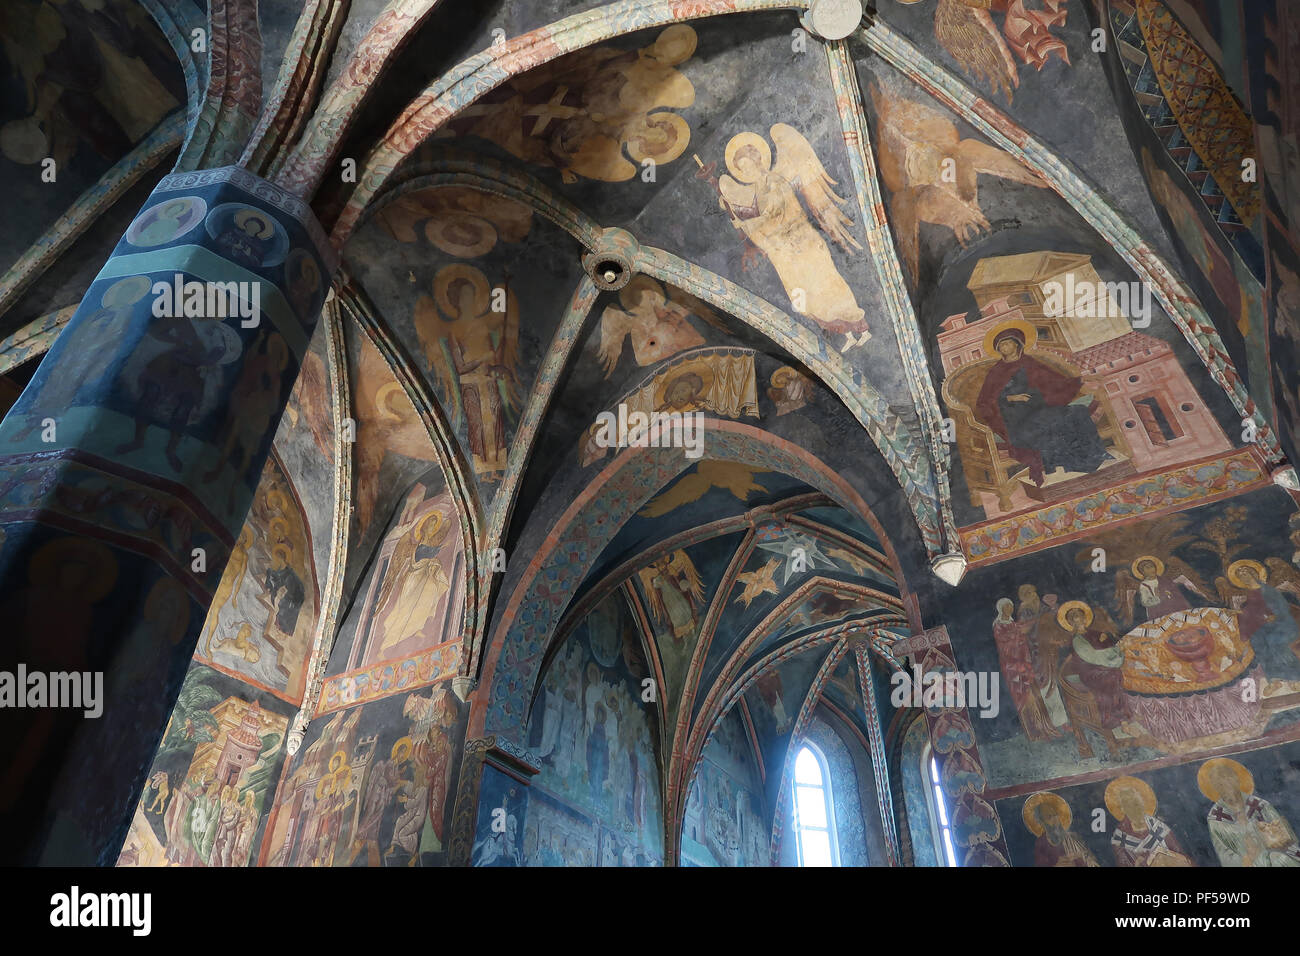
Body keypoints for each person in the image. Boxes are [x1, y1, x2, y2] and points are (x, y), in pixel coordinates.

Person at [974, 327, 1115, 487]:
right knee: (1047, 424)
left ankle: (1096, 454)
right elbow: (985, 401)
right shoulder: (997, 372)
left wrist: (1079, 380)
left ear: (1017, 344)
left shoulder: (1029, 363)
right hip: (1016, 418)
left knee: (1078, 412)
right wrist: (1011, 398)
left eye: (1007, 343)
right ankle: (1071, 463)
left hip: (1040, 409)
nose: (1003, 348)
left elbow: (1055, 381)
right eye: (1000, 345)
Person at [1199, 758, 1300, 867]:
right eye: (1220, 785)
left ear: (1237, 780)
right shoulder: (1216, 818)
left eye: (1228, 780)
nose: (1226, 787)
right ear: (1215, 789)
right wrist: (1247, 858)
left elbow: (1287, 839)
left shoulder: (1261, 806)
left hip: (1277, 858)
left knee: (1279, 859)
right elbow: (1225, 856)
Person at [1105, 776, 1195, 866]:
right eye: (1130, 806)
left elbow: (1180, 854)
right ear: (1123, 809)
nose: (1136, 809)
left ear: (1143, 804)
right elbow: (1124, 864)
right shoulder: (1120, 838)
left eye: (1137, 804)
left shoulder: (1158, 827)